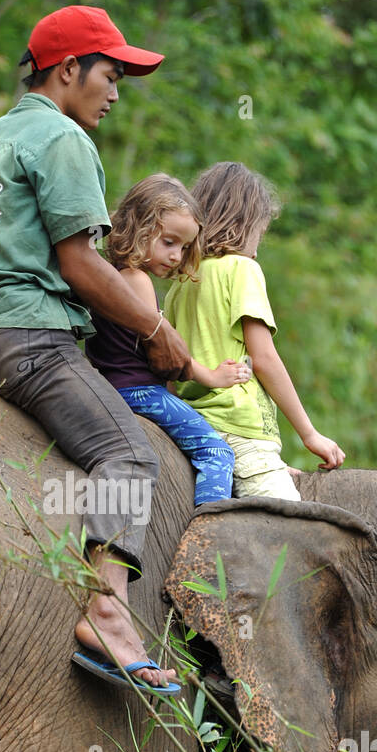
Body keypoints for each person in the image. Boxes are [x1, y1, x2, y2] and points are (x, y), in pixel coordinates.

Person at [0, 5, 190, 697]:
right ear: (68, 69)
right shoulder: (63, 140)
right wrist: (154, 329)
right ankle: (106, 610)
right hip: (33, 340)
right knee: (129, 452)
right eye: (108, 75)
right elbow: (78, 263)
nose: (113, 93)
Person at [164, 161, 345, 500]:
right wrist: (309, 434)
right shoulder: (243, 269)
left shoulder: (181, 283)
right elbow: (263, 358)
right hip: (239, 429)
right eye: (258, 234)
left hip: (197, 427)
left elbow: (170, 370)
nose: (258, 248)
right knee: (290, 528)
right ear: (242, 223)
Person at [85, 173, 249, 508]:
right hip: (141, 393)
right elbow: (166, 355)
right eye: (169, 242)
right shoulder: (137, 280)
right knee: (216, 450)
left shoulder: (104, 278)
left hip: (111, 387)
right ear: (139, 229)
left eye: (185, 247)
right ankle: (209, 525)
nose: (177, 256)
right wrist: (214, 377)